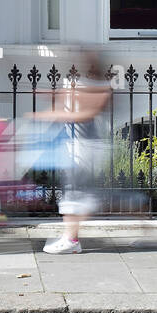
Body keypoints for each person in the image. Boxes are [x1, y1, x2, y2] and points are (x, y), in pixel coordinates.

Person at [33, 52, 113, 254]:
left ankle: (71, 240)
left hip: (85, 148)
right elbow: (66, 98)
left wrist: (56, 114)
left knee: (74, 194)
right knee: (73, 192)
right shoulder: (85, 85)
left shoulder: (101, 88)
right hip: (76, 145)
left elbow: (87, 114)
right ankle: (71, 236)